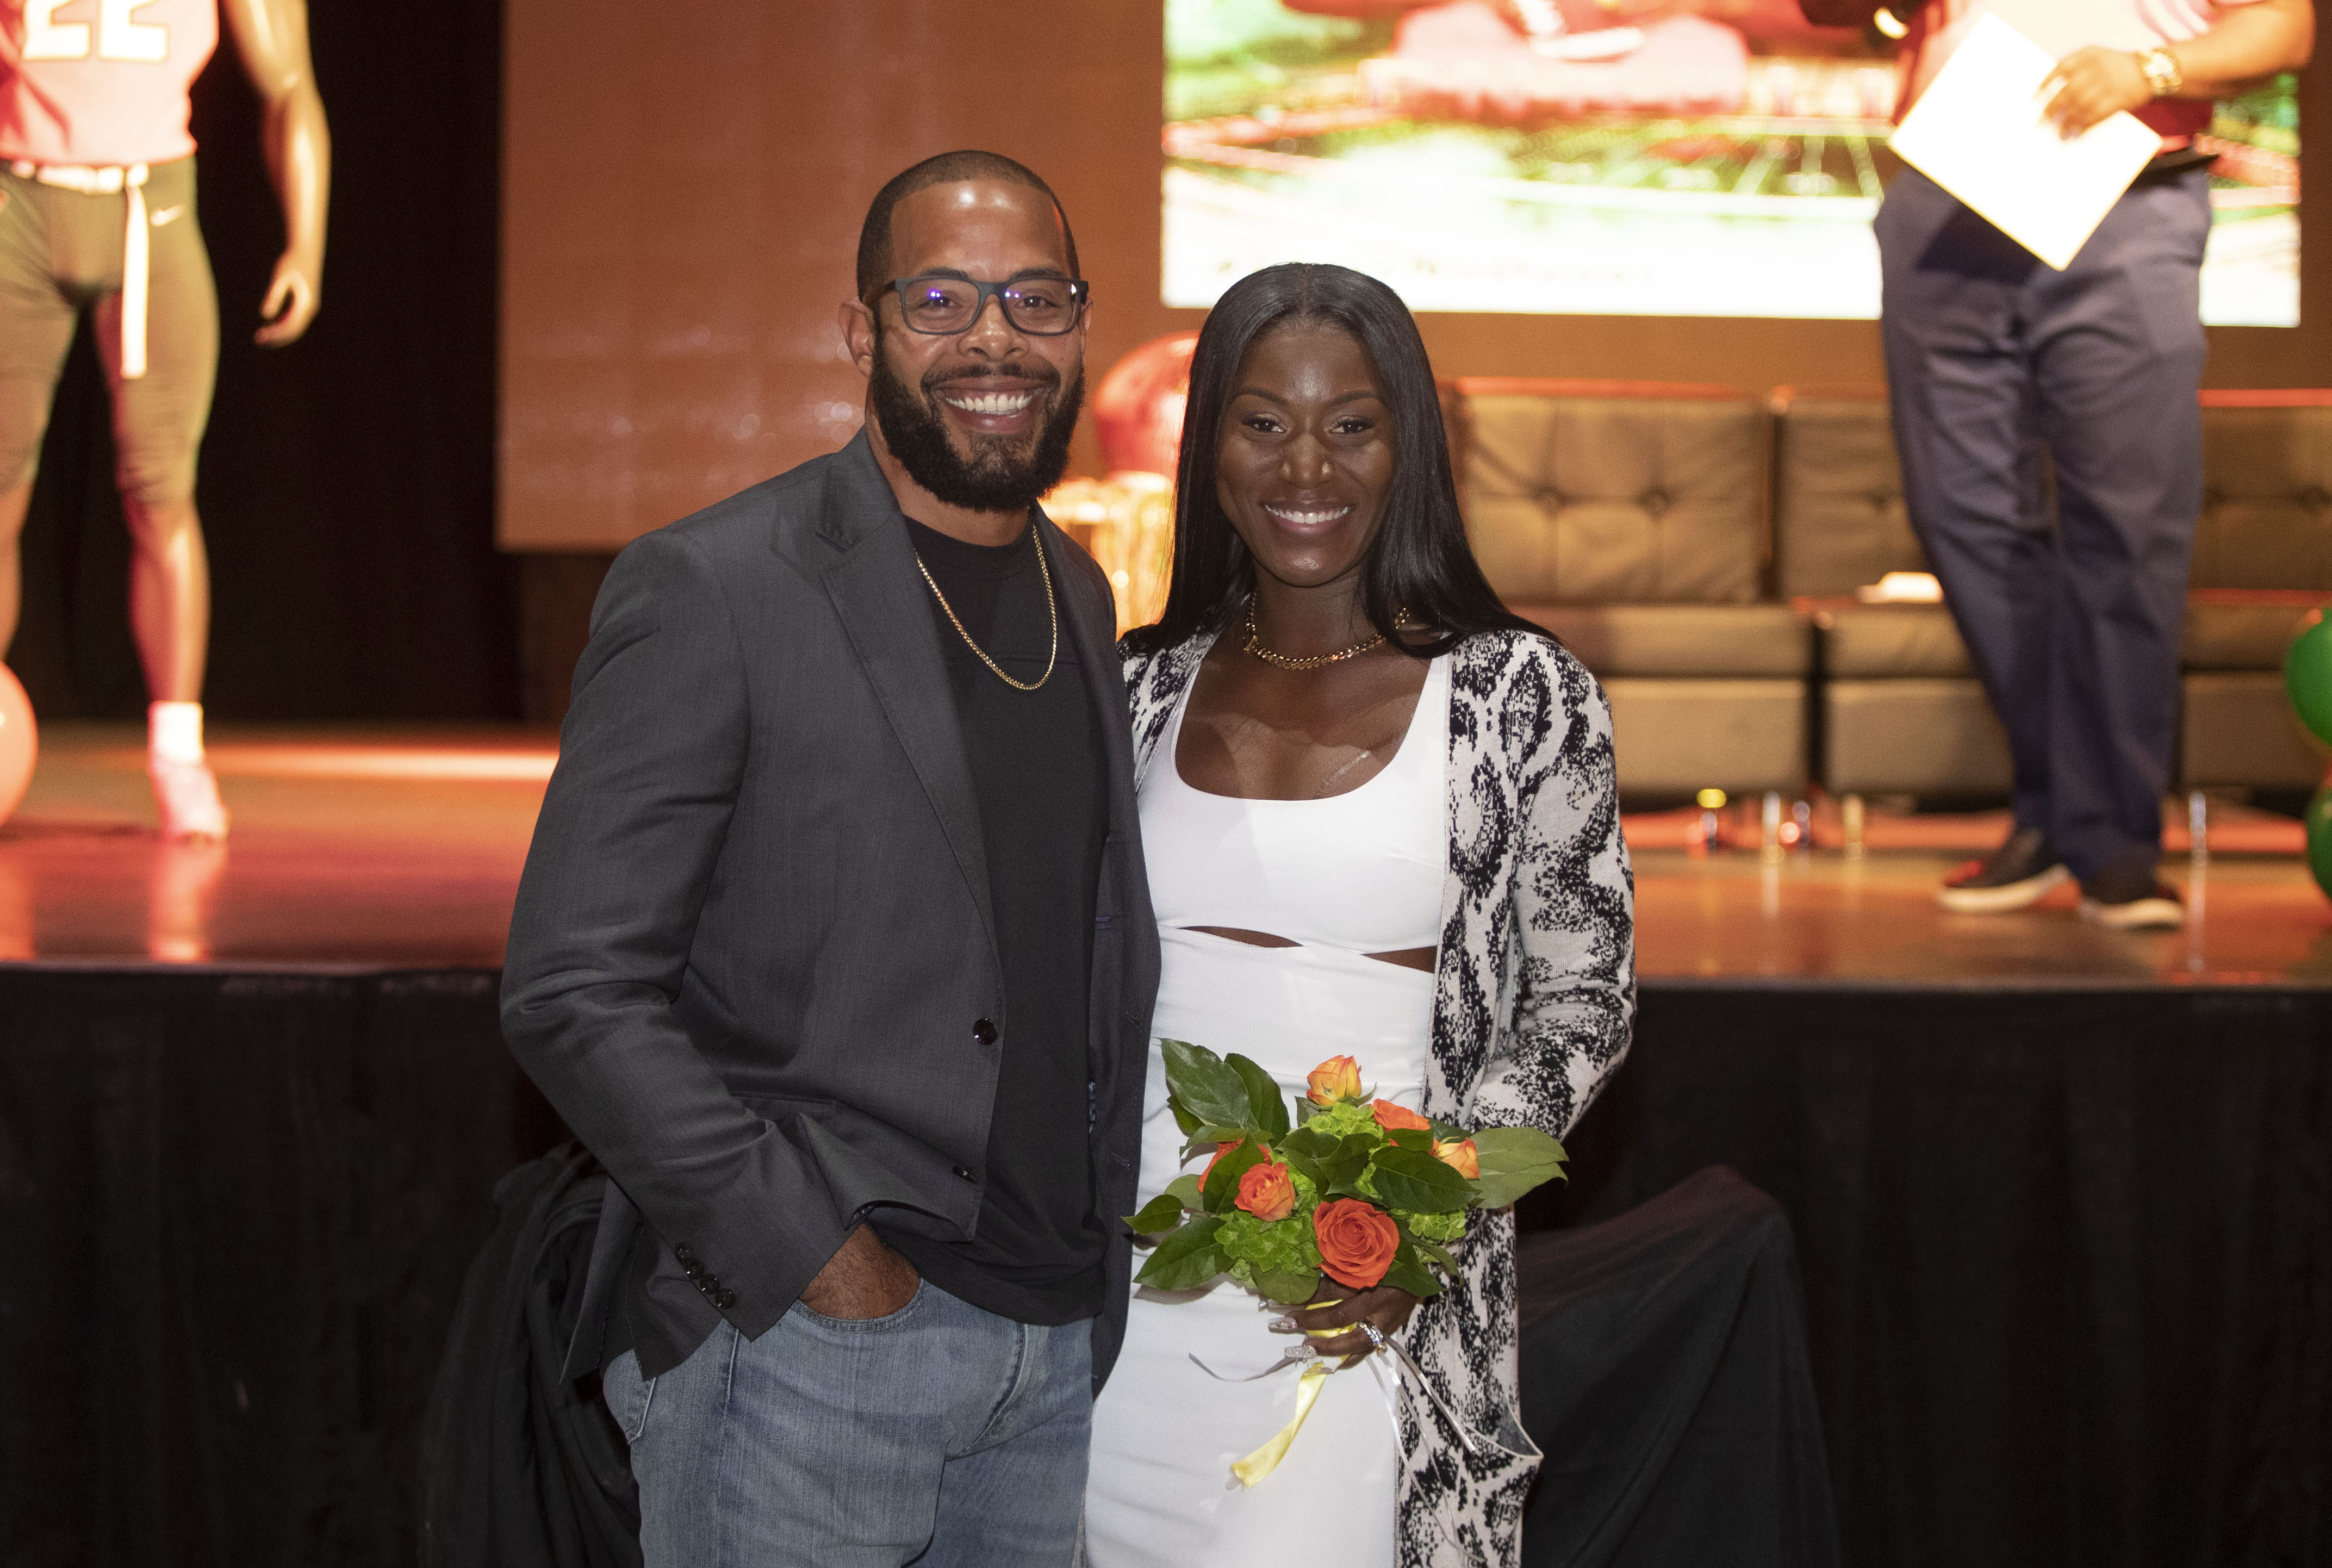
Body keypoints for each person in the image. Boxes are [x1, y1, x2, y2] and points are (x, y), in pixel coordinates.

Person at [501, 150, 1157, 1568]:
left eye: (1035, 297)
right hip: (807, 1350)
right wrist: (809, 1252)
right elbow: (568, 985)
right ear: (863, 333)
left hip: (1054, 1356)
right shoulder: (717, 586)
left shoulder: (1084, 589)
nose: (994, 335)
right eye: (942, 296)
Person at [1083, 263, 1635, 1568]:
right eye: (1263, 421)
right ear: (1209, 441)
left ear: (1410, 447)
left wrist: (1420, 1220)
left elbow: (1581, 996)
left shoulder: (1520, 696)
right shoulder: (1132, 689)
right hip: (1122, 1313)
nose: (1305, 465)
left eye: (1352, 424)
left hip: (1362, 1310)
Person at [1803, 0, 2312, 927]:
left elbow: (2283, 28)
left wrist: (2147, 70)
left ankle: (2108, 838)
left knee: (2126, 525)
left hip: (2123, 183)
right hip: (1947, 185)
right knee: (1959, 514)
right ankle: (2056, 812)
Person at [0, 0, 333, 839]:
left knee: (160, 492)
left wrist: (306, 243)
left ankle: (178, 755)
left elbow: (290, 84)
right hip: (23, 207)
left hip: (152, 211)